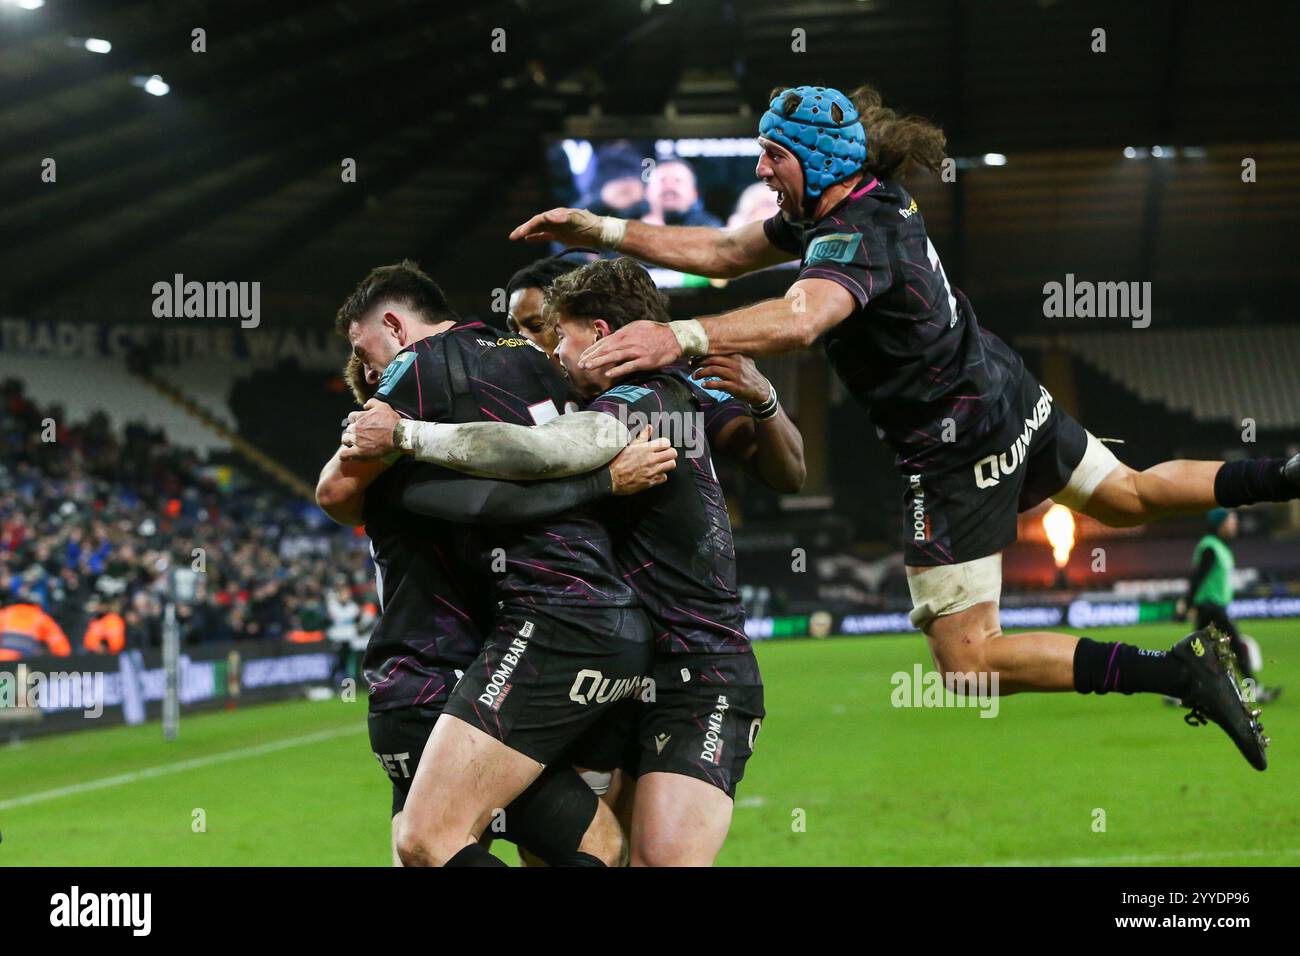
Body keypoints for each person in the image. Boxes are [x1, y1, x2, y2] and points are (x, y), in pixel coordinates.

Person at [506, 83, 1300, 771]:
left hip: (955, 449)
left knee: (966, 660)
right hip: (1002, 390)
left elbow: (800, 317)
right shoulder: (844, 204)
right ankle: (1285, 475)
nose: (758, 171)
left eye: (771, 155)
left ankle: (1182, 674)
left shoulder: (857, 235)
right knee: (1127, 495)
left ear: (814, 160)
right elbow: (719, 250)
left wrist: (679, 336)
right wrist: (601, 229)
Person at [349, 259, 766, 865]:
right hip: (625, 656)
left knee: (654, 860)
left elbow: (544, 452)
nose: (548, 353)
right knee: (585, 852)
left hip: (695, 668)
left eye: (556, 335)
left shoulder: (644, 399)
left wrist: (406, 437)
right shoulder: (641, 397)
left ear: (598, 336)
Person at [1181, 509, 1280, 703]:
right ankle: (1253, 691)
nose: (1234, 525)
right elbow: (1198, 577)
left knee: (1198, 653)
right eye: (1231, 521)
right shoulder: (1211, 547)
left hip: (1214, 607)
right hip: (1211, 608)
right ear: (1220, 524)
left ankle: (1179, 693)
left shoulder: (1220, 547)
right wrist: (1188, 604)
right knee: (1236, 649)